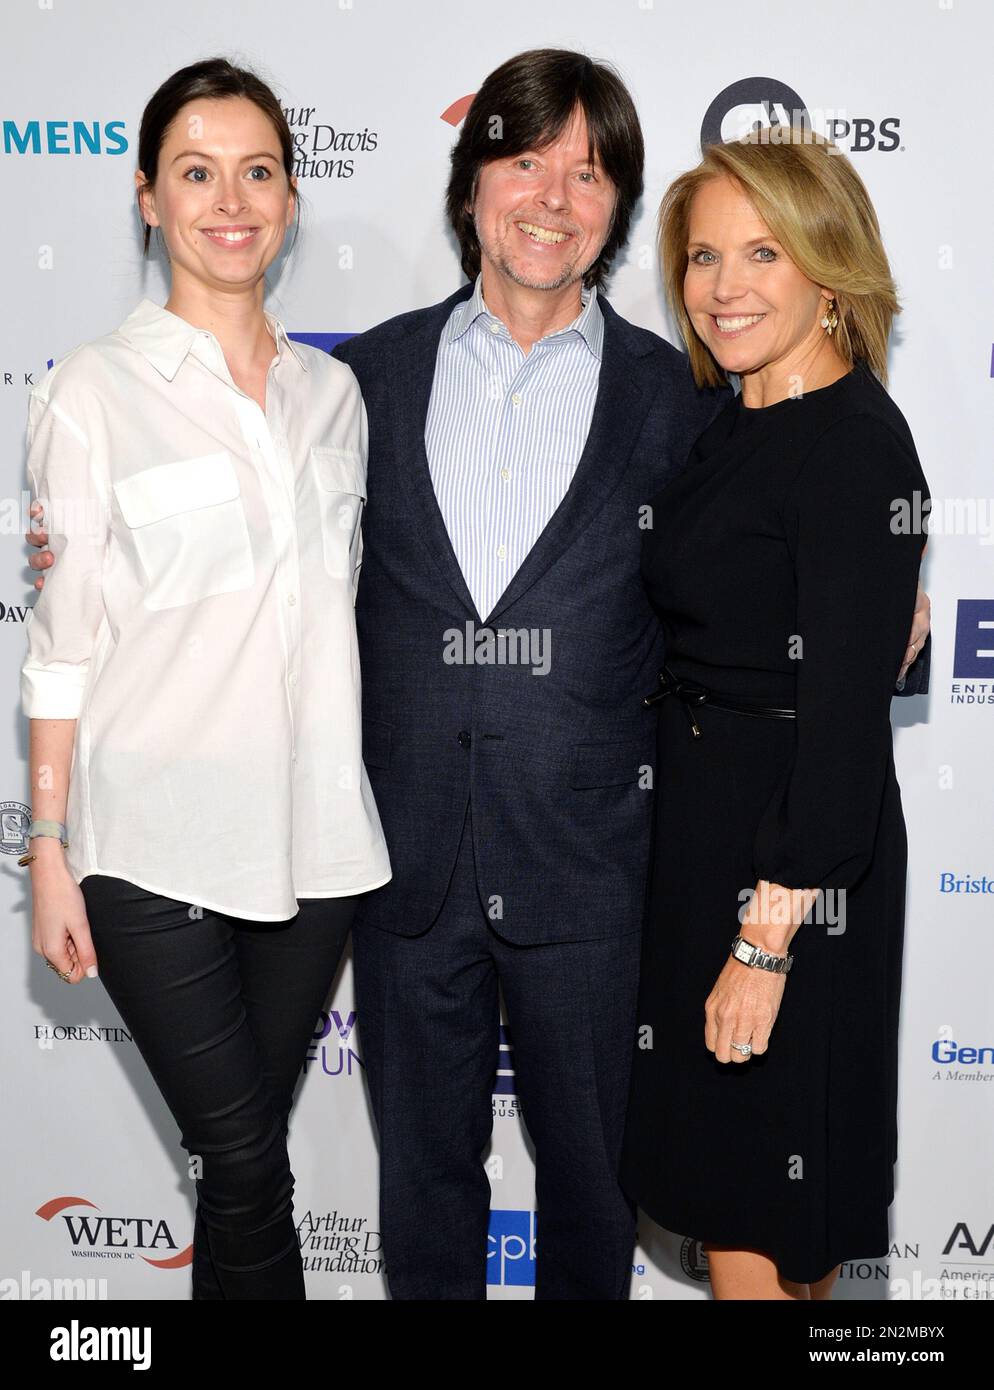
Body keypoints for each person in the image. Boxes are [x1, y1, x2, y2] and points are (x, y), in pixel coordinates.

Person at [28, 49, 930, 1301]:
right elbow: (257, 577)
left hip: (604, 879)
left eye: (588, 171)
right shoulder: (355, 387)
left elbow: (780, 557)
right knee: (424, 1202)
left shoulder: (680, 400)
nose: (551, 196)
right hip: (404, 877)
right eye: (522, 162)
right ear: (469, 190)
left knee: (597, 1195)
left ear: (617, 207)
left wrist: (905, 605)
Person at [19, 57, 389, 1300]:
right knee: (243, 1159)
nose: (228, 200)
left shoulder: (335, 398)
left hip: (313, 848)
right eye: (195, 173)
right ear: (145, 199)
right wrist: (49, 846)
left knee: (239, 1168)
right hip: (147, 848)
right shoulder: (91, 393)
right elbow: (61, 638)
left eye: (256, 171)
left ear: (290, 201)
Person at [619, 128, 930, 1300]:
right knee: (738, 1199)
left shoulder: (853, 446)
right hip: (706, 846)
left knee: (762, 1212)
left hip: (789, 873)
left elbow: (841, 731)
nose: (723, 288)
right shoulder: (733, 422)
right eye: (702, 258)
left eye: (762, 253)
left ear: (829, 269)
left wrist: (765, 941)